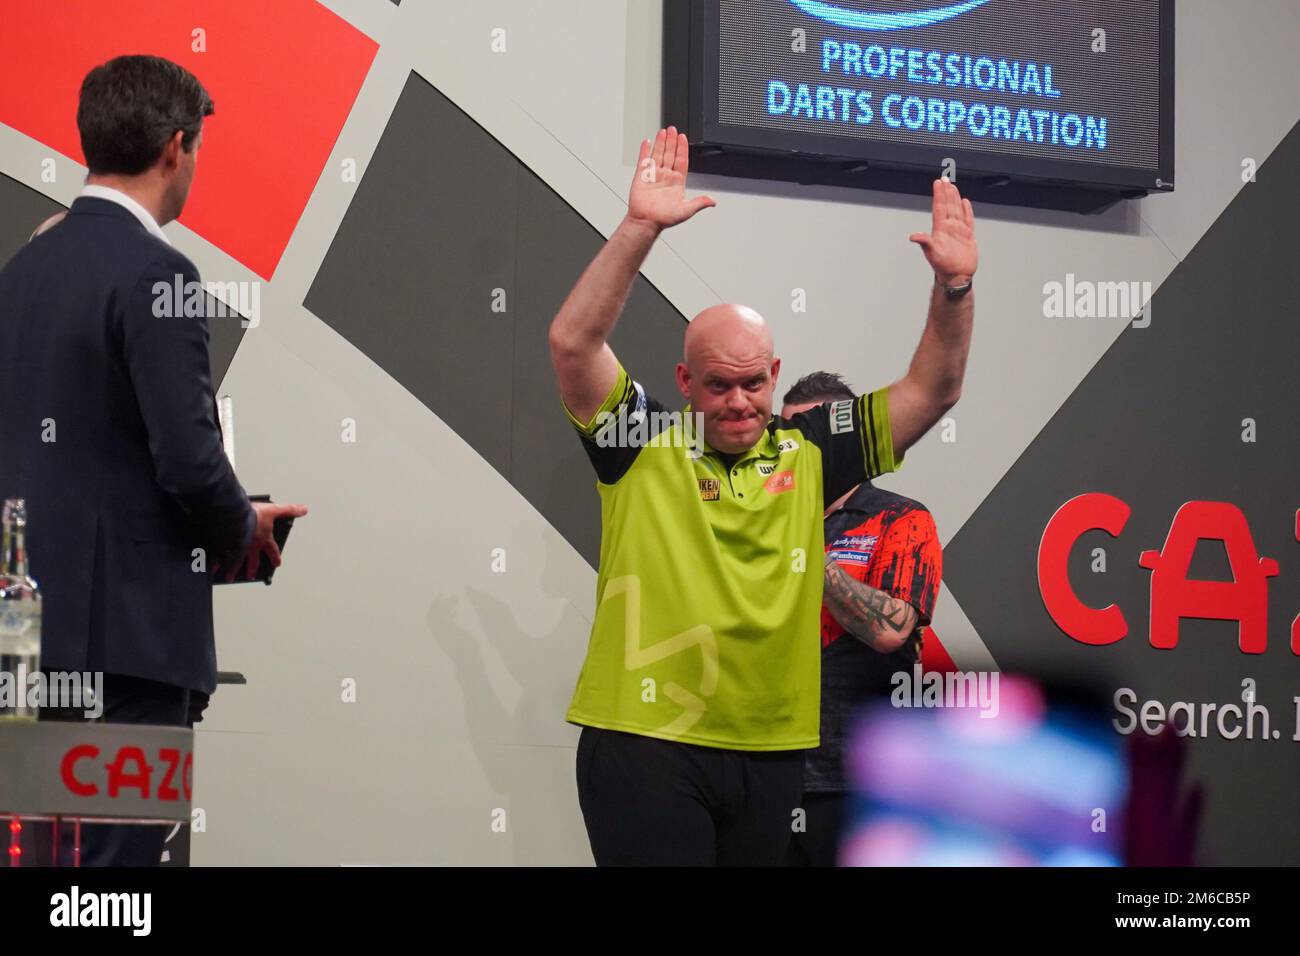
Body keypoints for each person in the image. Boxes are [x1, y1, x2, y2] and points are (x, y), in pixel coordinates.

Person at [549, 126, 977, 865]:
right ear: (685, 384)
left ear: (775, 374)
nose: (740, 402)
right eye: (719, 385)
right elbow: (573, 343)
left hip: (774, 751)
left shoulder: (811, 450)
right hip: (647, 742)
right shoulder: (643, 443)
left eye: (755, 383)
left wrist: (954, 289)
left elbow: (932, 391)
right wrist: (640, 228)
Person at [0, 54, 307, 866]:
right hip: (123, 653)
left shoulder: (21, 271)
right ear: (178, 147)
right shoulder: (157, 272)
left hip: (21, 643)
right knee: (118, 887)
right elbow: (190, 463)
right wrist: (244, 525)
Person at [779, 371, 943, 867]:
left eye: (813, 434)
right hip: (761, 774)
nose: (797, 449)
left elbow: (890, 629)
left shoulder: (901, 519)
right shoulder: (759, 519)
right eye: (788, 436)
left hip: (855, 781)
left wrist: (809, 546)